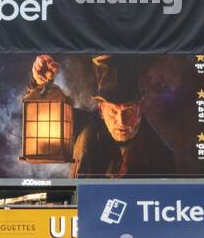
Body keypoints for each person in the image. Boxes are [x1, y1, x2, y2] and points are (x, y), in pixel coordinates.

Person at [29, 54, 175, 178]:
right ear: (101, 110)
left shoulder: (161, 156)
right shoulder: (82, 126)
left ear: (140, 108)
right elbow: (44, 116)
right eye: (112, 111)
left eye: (128, 111)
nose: (121, 121)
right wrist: (41, 86)